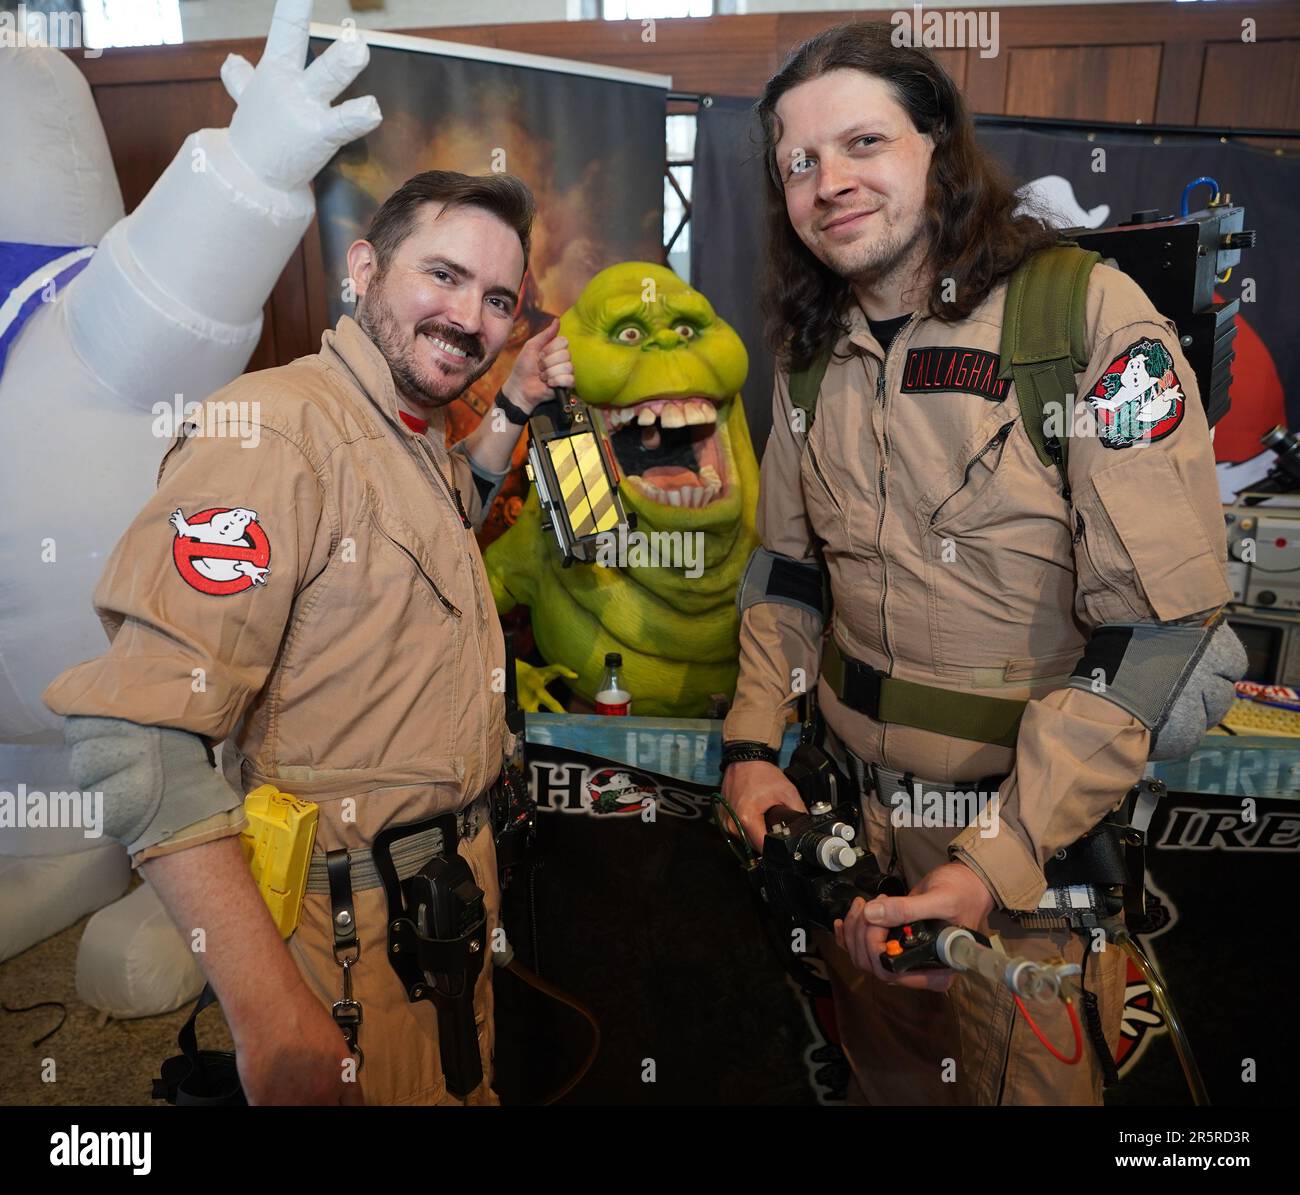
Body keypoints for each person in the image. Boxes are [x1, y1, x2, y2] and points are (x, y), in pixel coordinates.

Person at [719, 22, 1242, 1105]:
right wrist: (751, 742)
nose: (829, 183)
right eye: (799, 163)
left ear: (937, 147)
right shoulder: (807, 353)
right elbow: (787, 576)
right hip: (853, 849)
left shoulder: (1083, 316)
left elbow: (1153, 638)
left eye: (863, 142)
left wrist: (987, 862)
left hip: (1022, 864)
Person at [43, 170, 574, 1106]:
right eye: (443, 276)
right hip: (342, 947)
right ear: (362, 269)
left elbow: (448, 515)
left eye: (497, 299)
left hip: (437, 921)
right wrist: (269, 1012)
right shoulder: (276, 436)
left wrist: (517, 401)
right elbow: (135, 739)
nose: (470, 318)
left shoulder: (405, 428)